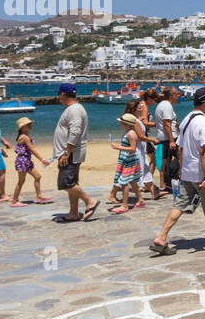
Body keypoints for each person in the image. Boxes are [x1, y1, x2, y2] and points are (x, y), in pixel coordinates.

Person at [149, 86, 205, 254]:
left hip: (188, 172)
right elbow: (204, 151)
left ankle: (161, 237)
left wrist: (183, 170)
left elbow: (180, 148)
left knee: (180, 205)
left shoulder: (186, 120)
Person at [52, 83, 99, 222]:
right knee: (72, 182)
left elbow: (75, 131)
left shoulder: (74, 110)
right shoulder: (73, 109)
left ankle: (90, 201)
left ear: (63, 94)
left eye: (59, 95)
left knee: (66, 183)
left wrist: (67, 152)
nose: (58, 97)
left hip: (71, 152)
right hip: (70, 151)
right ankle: (73, 213)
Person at [10, 116, 53, 207]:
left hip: (26, 160)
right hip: (23, 161)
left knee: (37, 176)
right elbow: (32, 150)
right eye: (28, 124)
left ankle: (39, 197)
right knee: (21, 181)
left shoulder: (24, 136)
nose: (30, 125)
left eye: (30, 124)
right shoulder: (24, 137)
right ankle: (14, 201)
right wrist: (42, 160)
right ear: (22, 127)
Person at [110, 113, 144, 213]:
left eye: (122, 122)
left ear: (127, 124)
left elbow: (133, 149)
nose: (120, 124)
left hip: (130, 161)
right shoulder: (128, 132)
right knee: (132, 181)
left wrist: (118, 147)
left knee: (123, 182)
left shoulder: (131, 134)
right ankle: (141, 200)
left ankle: (124, 205)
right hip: (127, 160)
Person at [139, 89, 164, 199]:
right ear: (149, 99)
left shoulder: (140, 104)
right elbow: (144, 123)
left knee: (148, 159)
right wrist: (158, 124)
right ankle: (147, 184)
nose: (154, 102)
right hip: (144, 137)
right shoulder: (144, 106)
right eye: (154, 100)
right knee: (152, 160)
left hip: (142, 136)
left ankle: (146, 183)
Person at [153, 87, 179, 191]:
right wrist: (172, 140)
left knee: (166, 161)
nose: (179, 96)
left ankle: (167, 183)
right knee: (179, 159)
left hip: (164, 137)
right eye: (177, 94)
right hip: (169, 138)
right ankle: (171, 182)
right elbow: (166, 124)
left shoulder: (162, 105)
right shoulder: (167, 106)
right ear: (172, 95)